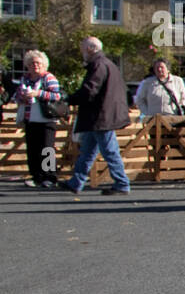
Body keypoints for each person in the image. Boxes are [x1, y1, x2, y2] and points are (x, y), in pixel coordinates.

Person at [62, 36, 131, 195]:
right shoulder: (107, 64)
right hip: (100, 116)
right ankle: (76, 182)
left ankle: (122, 183)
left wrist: (69, 99)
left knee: (109, 150)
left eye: (82, 49)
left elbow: (90, 90)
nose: (81, 53)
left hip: (100, 116)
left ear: (90, 49)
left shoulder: (98, 65)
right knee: (88, 150)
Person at [13, 49, 62, 188]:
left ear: (44, 65)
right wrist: (21, 96)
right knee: (33, 149)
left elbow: (57, 96)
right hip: (30, 118)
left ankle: (50, 177)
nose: (35, 66)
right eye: (32, 63)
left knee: (47, 148)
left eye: (38, 63)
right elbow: (16, 96)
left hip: (46, 118)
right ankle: (36, 176)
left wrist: (38, 93)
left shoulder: (48, 78)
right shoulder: (25, 78)